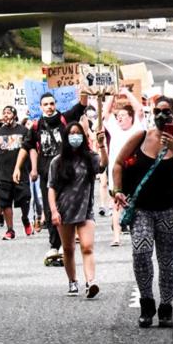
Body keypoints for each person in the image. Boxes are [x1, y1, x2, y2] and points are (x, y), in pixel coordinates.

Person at [112, 97, 173, 327]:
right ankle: (147, 302)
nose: (160, 116)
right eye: (157, 111)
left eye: (166, 112)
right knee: (141, 253)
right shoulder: (140, 137)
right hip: (141, 209)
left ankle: (166, 306)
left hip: (170, 208)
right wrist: (118, 190)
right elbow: (118, 164)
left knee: (166, 261)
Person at [27, 90, 88, 266]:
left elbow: (82, 105)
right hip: (47, 175)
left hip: (66, 174)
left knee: (65, 209)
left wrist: (84, 89)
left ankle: (65, 244)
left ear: (56, 105)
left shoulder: (65, 118)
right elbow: (29, 146)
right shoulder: (37, 125)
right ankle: (54, 244)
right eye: (45, 104)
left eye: (51, 104)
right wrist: (30, 168)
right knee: (49, 210)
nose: (49, 107)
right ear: (40, 107)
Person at [48, 121, 105, 298]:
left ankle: (91, 282)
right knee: (68, 248)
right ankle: (73, 281)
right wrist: (54, 211)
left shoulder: (90, 158)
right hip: (64, 210)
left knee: (87, 247)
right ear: (66, 137)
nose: (75, 136)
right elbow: (52, 188)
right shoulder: (57, 162)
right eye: (71, 133)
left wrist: (102, 145)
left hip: (85, 210)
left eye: (78, 133)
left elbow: (103, 165)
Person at [0, 105, 32, 240]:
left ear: (15, 115)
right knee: (4, 202)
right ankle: (10, 229)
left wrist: (33, 169)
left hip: (21, 174)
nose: (6, 116)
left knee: (24, 199)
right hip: (3, 174)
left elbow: (30, 150)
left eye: (8, 113)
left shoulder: (24, 131)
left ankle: (25, 218)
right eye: (4, 113)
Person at [103, 89, 145, 245]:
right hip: (117, 172)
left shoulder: (137, 129)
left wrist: (126, 93)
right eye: (118, 116)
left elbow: (139, 109)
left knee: (135, 205)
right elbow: (106, 113)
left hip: (135, 172)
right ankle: (116, 237)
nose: (119, 118)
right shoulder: (114, 129)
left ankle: (137, 234)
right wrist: (112, 96)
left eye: (122, 116)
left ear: (130, 118)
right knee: (116, 203)